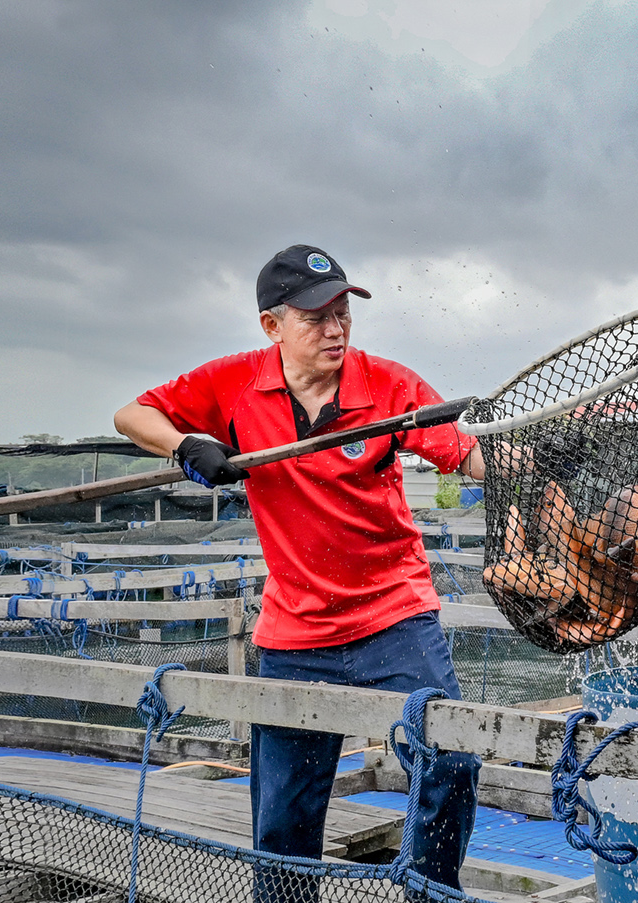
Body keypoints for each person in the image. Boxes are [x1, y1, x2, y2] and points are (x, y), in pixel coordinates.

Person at [114, 244, 484, 893]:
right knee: (284, 816)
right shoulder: (233, 383)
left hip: (395, 614)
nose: (335, 329)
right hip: (297, 633)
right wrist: (185, 444)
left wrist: (532, 461)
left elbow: (469, 454)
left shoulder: (389, 385)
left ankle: (431, 890)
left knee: (449, 761)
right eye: (316, 317)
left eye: (343, 313)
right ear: (272, 325)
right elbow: (131, 415)